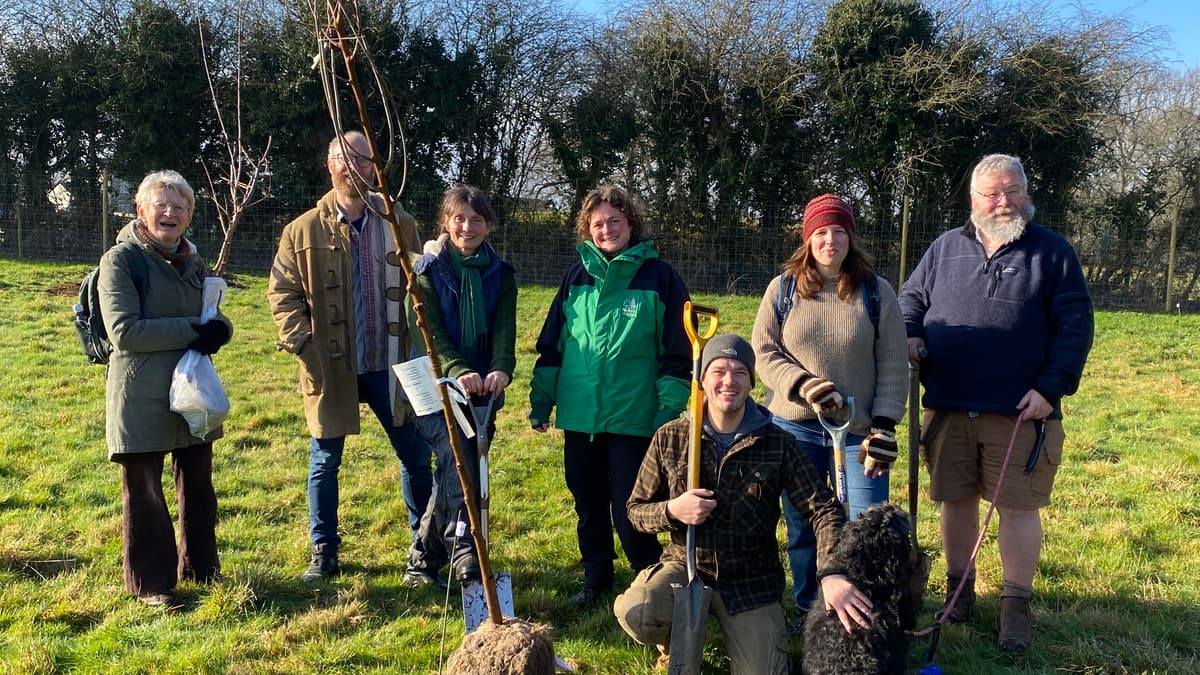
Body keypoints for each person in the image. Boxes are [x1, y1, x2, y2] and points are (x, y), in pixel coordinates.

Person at [898, 153, 1093, 651]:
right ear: (973, 199)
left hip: (1021, 409)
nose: (1004, 202)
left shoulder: (1053, 252)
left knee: (1018, 508)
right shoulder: (945, 248)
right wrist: (910, 335)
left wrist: (1050, 389)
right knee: (955, 502)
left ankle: (1015, 606)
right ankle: (959, 591)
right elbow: (910, 300)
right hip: (947, 404)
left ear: (1025, 194)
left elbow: (1076, 326)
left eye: (1013, 191)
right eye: (993, 193)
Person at [614, 334, 873, 674]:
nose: (728, 381)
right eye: (719, 370)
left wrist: (831, 572)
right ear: (702, 379)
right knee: (637, 611)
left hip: (750, 580)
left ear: (751, 381)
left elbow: (823, 509)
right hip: (687, 566)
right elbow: (634, 510)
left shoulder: (778, 443)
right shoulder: (673, 436)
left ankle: (733, 631)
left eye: (739, 372)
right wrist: (673, 511)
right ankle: (677, 636)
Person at [267, 130, 434, 582]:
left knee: (416, 455)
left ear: (374, 166)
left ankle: (424, 546)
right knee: (325, 459)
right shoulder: (300, 230)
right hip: (331, 366)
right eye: (345, 158)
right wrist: (303, 346)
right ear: (330, 165)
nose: (354, 167)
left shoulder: (399, 222)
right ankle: (324, 551)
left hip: (392, 362)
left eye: (363, 159)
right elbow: (283, 295)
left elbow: (423, 283)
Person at [529, 185, 691, 607]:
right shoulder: (575, 277)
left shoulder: (660, 277)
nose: (606, 230)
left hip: (635, 417)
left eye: (614, 221)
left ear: (630, 223)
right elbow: (552, 344)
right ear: (587, 229)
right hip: (580, 415)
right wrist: (541, 402)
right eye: (597, 223)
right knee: (587, 501)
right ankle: (595, 576)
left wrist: (667, 409)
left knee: (630, 507)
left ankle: (649, 581)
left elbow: (678, 350)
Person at [751, 194, 908, 623]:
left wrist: (884, 426)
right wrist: (804, 385)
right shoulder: (783, 289)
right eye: (820, 232)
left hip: (859, 434)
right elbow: (765, 353)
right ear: (808, 239)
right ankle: (810, 608)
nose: (830, 240)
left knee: (866, 526)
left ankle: (863, 612)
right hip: (795, 428)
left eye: (838, 231)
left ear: (850, 237)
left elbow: (893, 361)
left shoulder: (876, 293)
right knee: (804, 526)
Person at [100, 170, 232, 607]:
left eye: (180, 207)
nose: (170, 213)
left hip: (192, 393)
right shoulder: (121, 261)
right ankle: (151, 585)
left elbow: (210, 315)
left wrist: (220, 329)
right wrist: (195, 329)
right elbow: (125, 332)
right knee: (145, 492)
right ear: (141, 210)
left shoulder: (194, 263)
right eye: (161, 204)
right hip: (141, 394)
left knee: (198, 486)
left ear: (189, 217)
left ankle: (201, 571)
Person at [405, 185, 517, 586]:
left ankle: (422, 560)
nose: (467, 226)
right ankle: (466, 549)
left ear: (488, 225)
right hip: (434, 385)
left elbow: (505, 328)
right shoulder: (428, 272)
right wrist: (456, 368)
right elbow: (427, 330)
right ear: (446, 222)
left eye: (476, 219)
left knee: (458, 467)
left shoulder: (501, 275)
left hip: (483, 390)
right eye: (459, 218)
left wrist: (502, 369)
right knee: (459, 462)